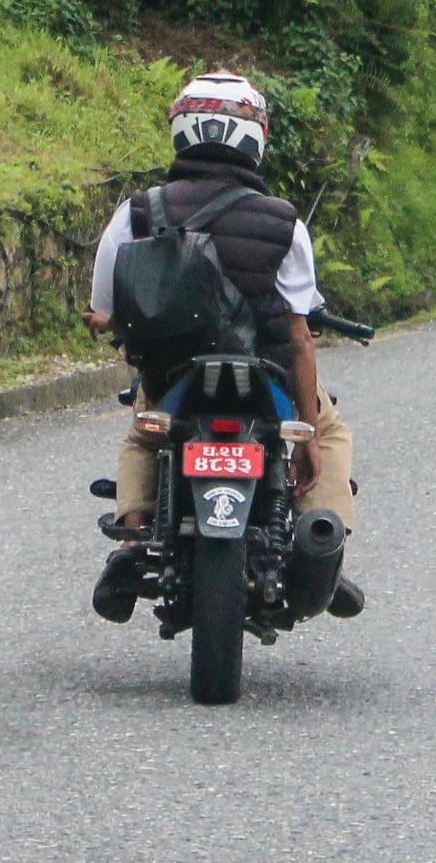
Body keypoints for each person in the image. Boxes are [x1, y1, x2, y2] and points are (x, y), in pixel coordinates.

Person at [84, 70, 362, 622]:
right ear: (255, 137)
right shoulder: (285, 223)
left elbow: (105, 311)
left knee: (144, 436)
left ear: (182, 131)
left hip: (174, 381)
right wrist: (304, 435)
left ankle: (131, 540)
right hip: (269, 378)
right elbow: (301, 338)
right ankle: (322, 541)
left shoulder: (138, 212)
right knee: (329, 431)